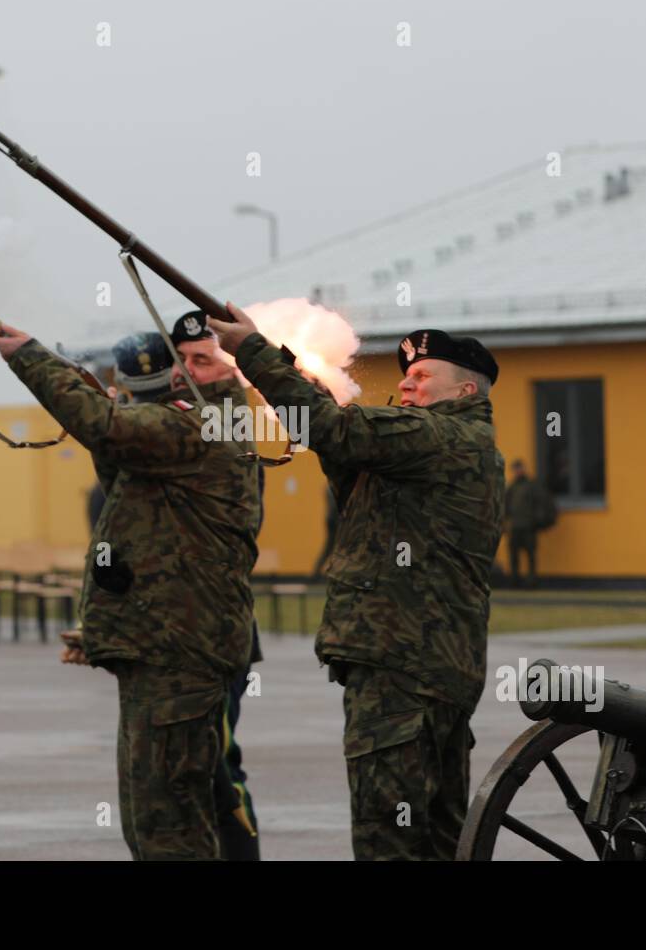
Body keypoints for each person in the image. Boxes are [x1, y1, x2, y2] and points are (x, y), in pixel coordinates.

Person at [211, 311, 505, 861]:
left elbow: (335, 431)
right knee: (435, 838)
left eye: (423, 377)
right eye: (406, 375)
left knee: (387, 838)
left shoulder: (444, 435)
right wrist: (301, 381)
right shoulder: (439, 443)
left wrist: (253, 351)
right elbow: (342, 446)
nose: (406, 383)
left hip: (403, 667)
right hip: (423, 665)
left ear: (465, 389)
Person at [0, 313, 260, 861]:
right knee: (150, 814)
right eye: (180, 360)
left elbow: (109, 428)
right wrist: (107, 625)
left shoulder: (209, 427)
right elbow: (138, 511)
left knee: (177, 816)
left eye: (199, 361)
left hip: (185, 650)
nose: (184, 371)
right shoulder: (183, 429)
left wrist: (30, 356)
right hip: (159, 644)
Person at [504, 459, 552, 588]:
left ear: (523, 469)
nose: (517, 471)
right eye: (515, 469)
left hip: (528, 526)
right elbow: (506, 506)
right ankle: (515, 580)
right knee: (514, 555)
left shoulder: (531, 485)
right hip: (515, 526)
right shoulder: (512, 487)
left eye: (519, 468)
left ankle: (532, 580)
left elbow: (540, 503)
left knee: (530, 554)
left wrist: (537, 520)